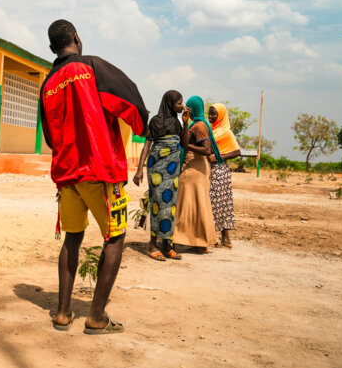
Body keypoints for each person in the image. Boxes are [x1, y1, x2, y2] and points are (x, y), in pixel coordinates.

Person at [40, 20, 148, 334]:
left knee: (72, 239)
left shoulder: (48, 83)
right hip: (100, 172)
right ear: (76, 38)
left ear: (52, 49)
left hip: (67, 176)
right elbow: (131, 103)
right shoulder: (92, 67)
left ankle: (62, 313)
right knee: (115, 236)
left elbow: (49, 135)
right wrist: (140, 124)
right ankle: (96, 315)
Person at [133, 90, 189, 261]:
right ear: (170, 103)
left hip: (173, 169)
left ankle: (167, 245)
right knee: (158, 204)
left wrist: (186, 123)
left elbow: (185, 144)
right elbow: (147, 145)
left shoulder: (178, 123)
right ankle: (152, 245)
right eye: (179, 103)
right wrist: (139, 170)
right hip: (157, 168)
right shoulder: (156, 121)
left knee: (171, 206)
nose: (182, 106)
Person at [172, 96, 219, 253]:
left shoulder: (199, 126)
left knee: (188, 203)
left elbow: (207, 150)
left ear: (193, 107)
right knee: (197, 203)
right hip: (197, 167)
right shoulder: (198, 124)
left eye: (189, 106)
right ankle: (199, 242)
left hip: (194, 167)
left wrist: (188, 146)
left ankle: (195, 241)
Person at [208, 103, 241, 248]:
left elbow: (236, 152)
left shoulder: (226, 132)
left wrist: (218, 157)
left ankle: (225, 237)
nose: (210, 116)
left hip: (220, 170)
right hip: (209, 170)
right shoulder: (209, 130)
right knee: (210, 202)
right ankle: (210, 236)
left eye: (214, 114)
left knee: (222, 203)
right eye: (209, 113)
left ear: (220, 115)